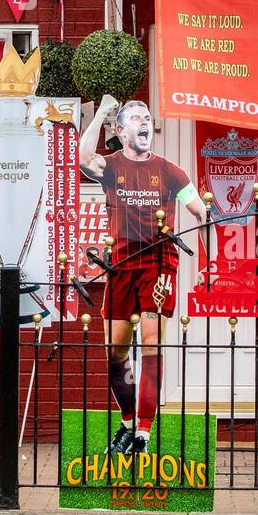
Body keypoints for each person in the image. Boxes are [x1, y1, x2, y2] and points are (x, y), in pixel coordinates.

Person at [80, 94, 210, 461]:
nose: (143, 123)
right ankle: (127, 420)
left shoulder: (170, 170)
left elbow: (198, 210)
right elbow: (82, 157)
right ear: (120, 131)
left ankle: (143, 430)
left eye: (147, 117)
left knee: (151, 340)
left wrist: (208, 253)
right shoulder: (111, 166)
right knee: (116, 351)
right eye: (134, 118)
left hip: (158, 262)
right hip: (120, 264)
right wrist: (103, 111)